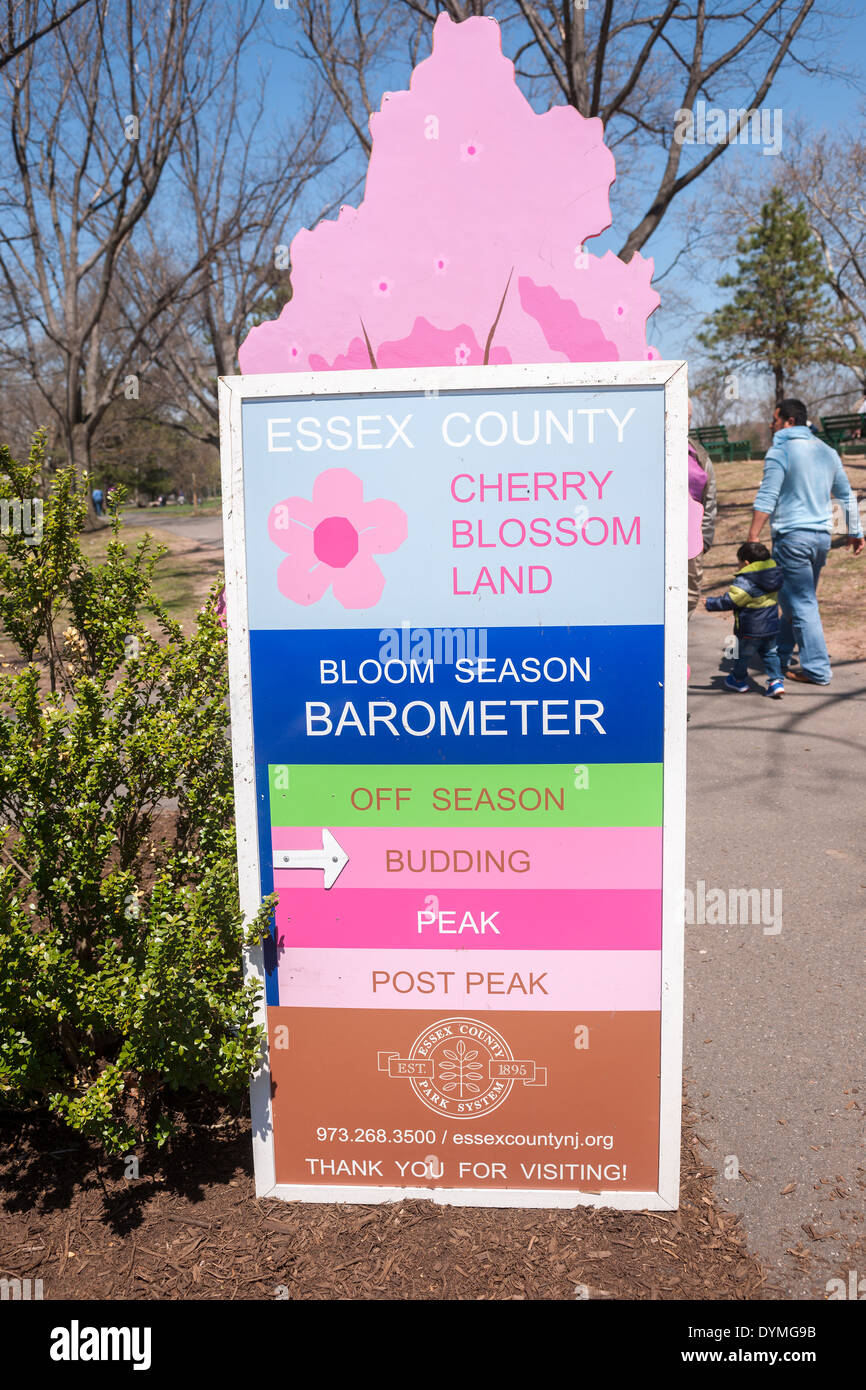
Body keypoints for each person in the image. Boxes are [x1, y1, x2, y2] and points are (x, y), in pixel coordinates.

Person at [748, 399, 864, 684]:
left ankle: (817, 670)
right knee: (793, 599)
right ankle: (782, 656)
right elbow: (845, 495)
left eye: (775, 419)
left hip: (792, 539)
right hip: (820, 540)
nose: (772, 424)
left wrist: (752, 535)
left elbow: (767, 496)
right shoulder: (827, 451)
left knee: (801, 603)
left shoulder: (781, 451)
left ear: (788, 421)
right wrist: (855, 531)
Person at [705, 541, 784, 697]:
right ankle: (776, 681)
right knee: (770, 654)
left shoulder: (746, 579)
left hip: (750, 628)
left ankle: (738, 680)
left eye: (739, 562)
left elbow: (732, 600)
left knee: (741, 654)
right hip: (771, 626)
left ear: (746, 563)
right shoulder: (774, 573)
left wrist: (710, 603)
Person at [687, 401, 717, 619]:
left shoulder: (698, 454)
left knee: (689, 595)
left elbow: (710, 498)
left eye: (688, 416)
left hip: (690, 541)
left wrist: (705, 539)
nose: (684, 420)